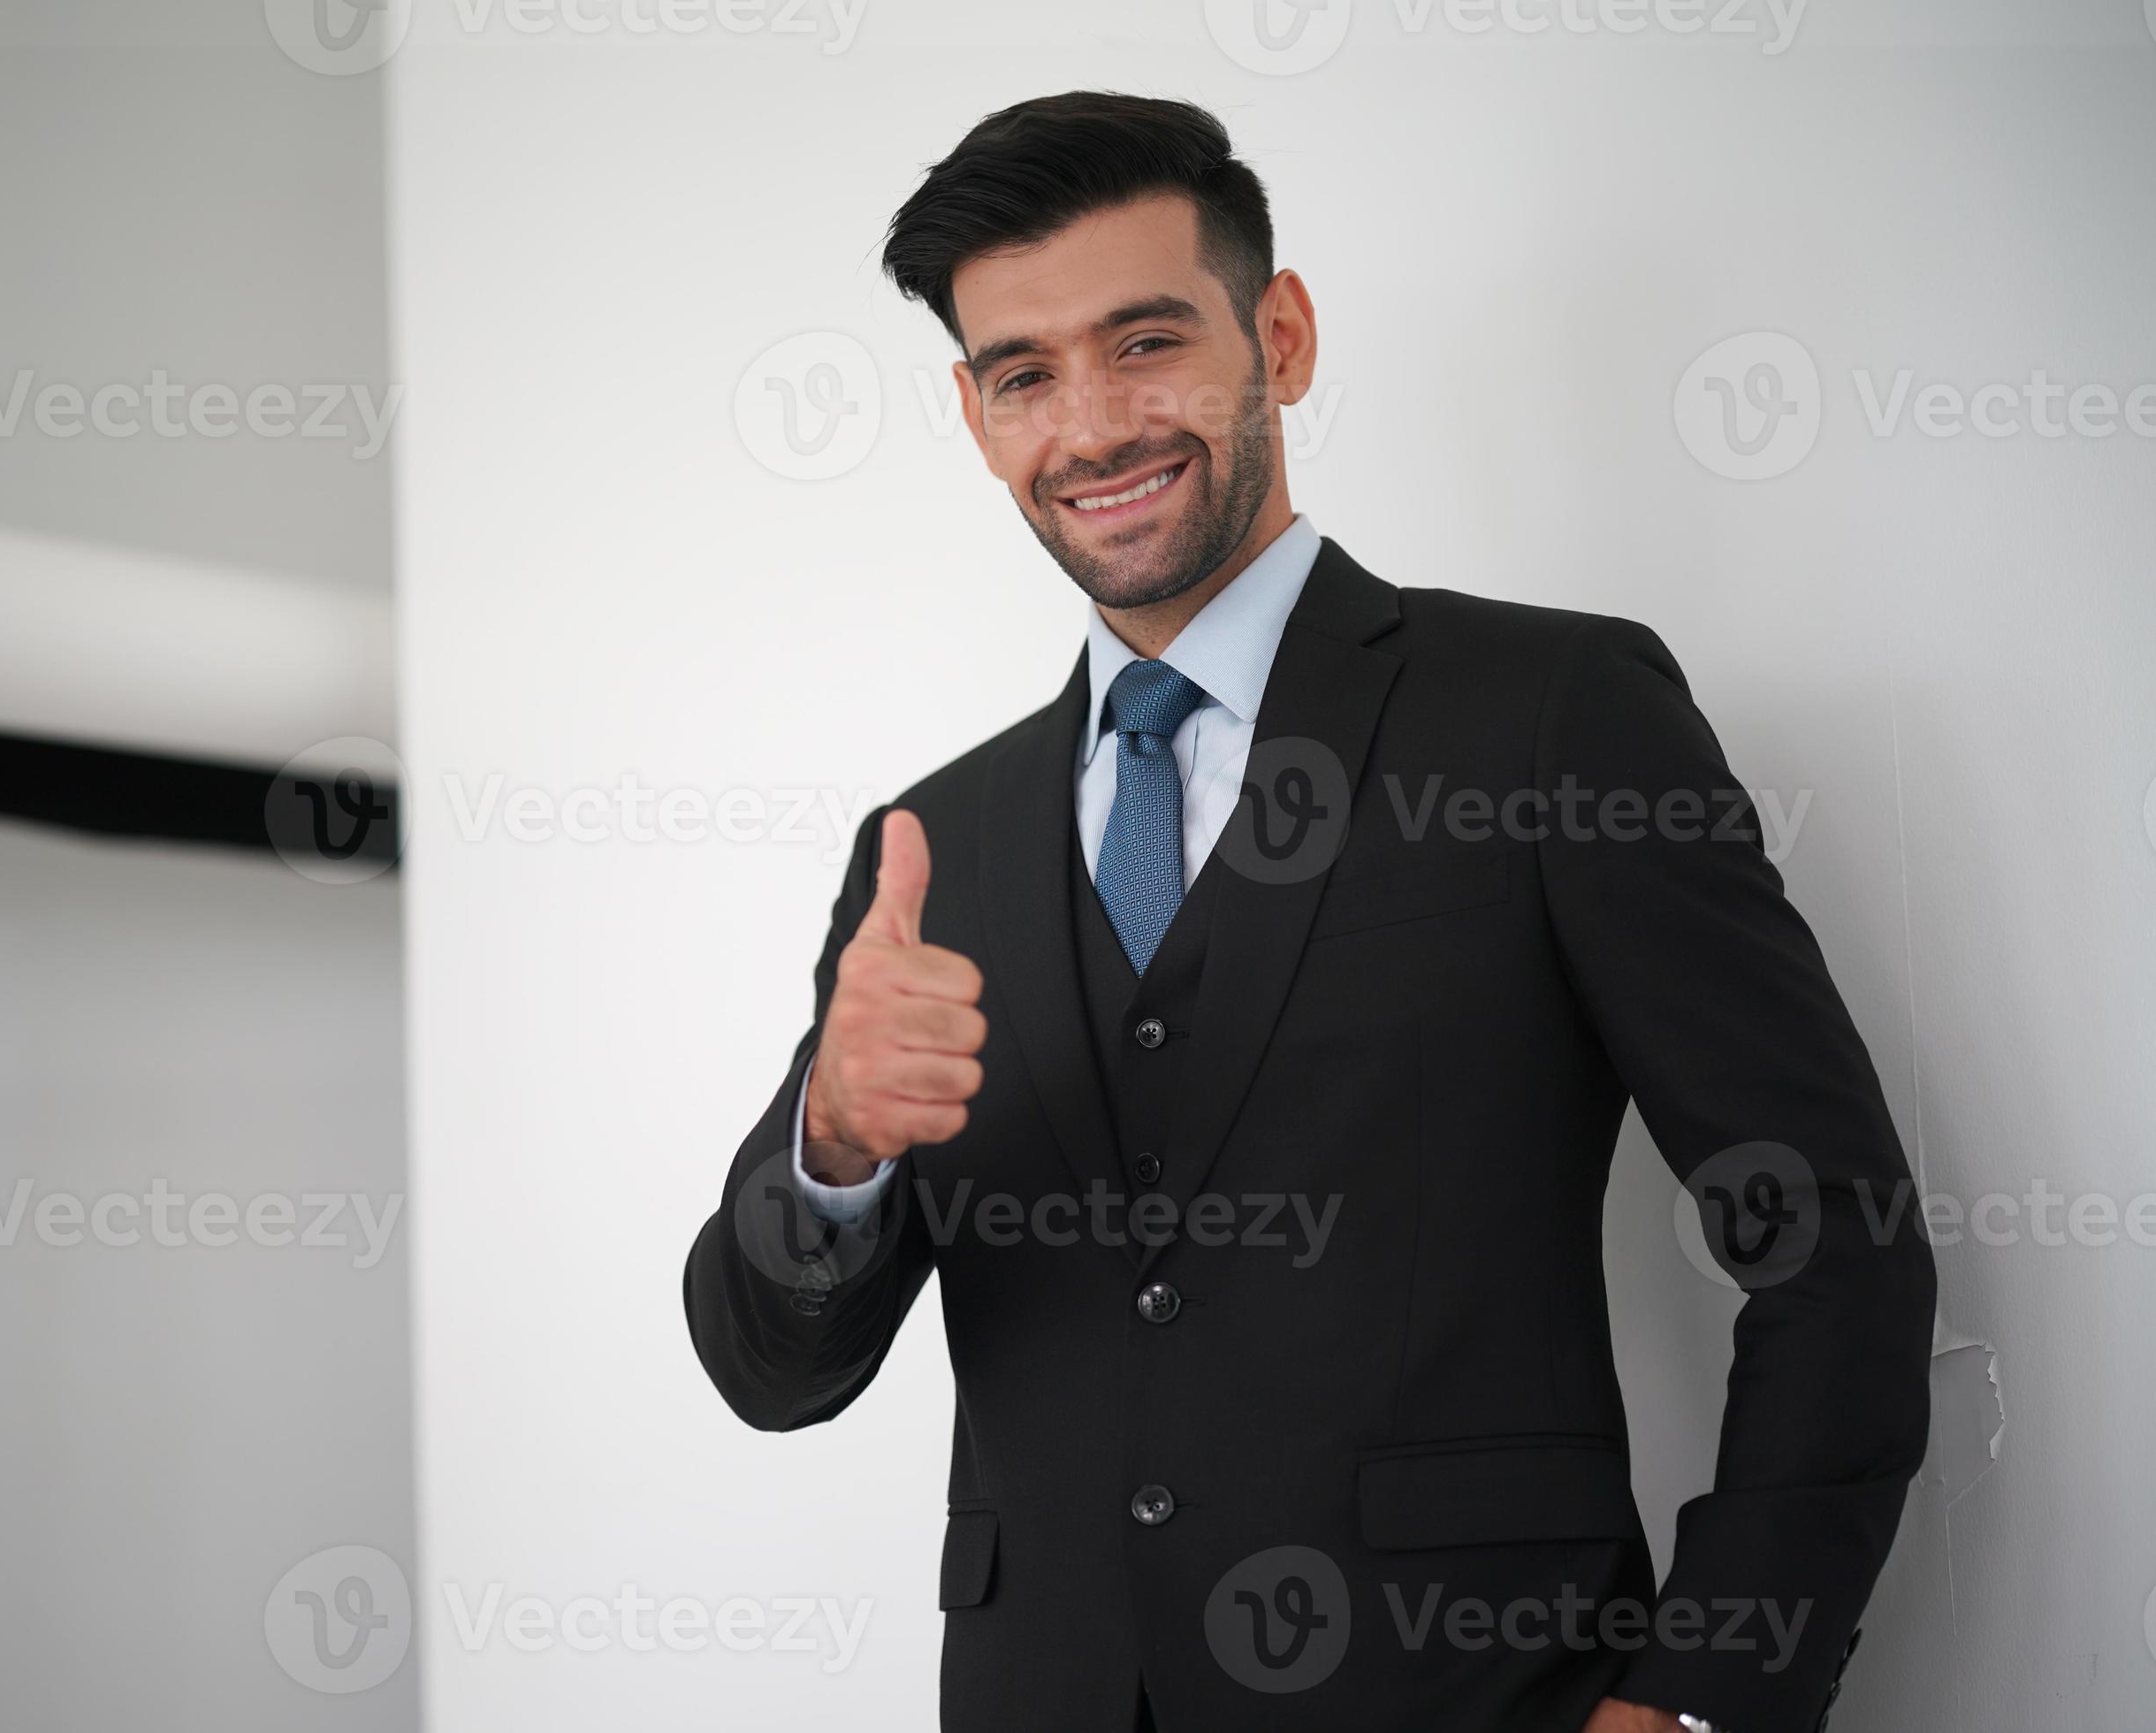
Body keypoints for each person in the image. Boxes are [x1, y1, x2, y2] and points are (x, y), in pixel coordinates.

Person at [683, 90, 1933, 1733]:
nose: (1093, 426)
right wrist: (833, 1150)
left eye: (1145, 342)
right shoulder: (935, 847)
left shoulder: (1553, 715)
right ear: (977, 418)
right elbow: (770, 1370)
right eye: (1024, 375)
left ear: (1278, 333)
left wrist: (1704, 1699)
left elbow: (1831, 1243)